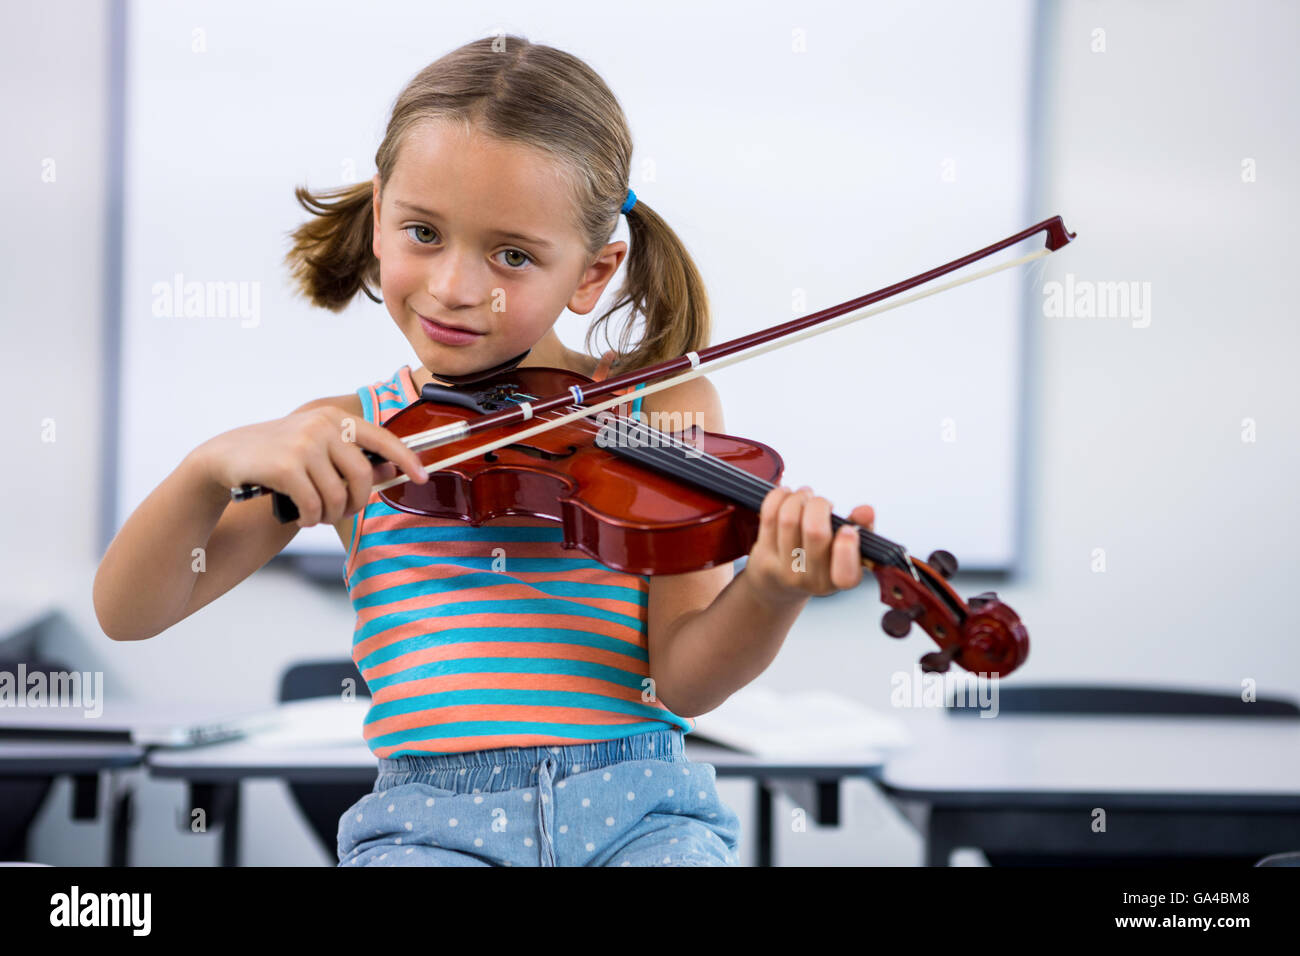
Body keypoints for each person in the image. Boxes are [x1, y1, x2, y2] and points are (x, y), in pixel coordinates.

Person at [92, 34, 875, 867]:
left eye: (512, 255)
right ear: (380, 212)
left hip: (642, 820)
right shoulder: (347, 438)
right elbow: (131, 611)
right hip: (428, 829)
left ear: (592, 271)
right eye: (424, 231)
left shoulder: (662, 409)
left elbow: (684, 682)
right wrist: (212, 465)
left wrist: (769, 591)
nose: (458, 288)